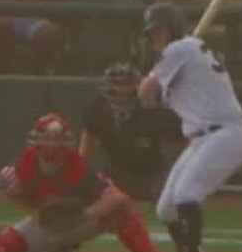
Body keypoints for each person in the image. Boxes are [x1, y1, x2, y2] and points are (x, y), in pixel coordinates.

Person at [138, 3, 242, 252]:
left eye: (158, 32)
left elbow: (145, 92)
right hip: (204, 137)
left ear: (171, 29)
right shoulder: (186, 53)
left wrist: (153, 78)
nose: (154, 38)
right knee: (166, 209)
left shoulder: (181, 49)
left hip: (225, 135)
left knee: (187, 194)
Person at [0, 113, 167, 252]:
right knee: (2, 251)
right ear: (36, 142)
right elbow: (19, 197)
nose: (52, 148)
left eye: (57, 141)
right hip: (46, 222)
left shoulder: (76, 167)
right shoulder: (24, 164)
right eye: (47, 140)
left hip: (80, 222)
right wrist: (32, 209)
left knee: (121, 209)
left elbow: (119, 198)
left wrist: (82, 215)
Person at [78, 62, 182, 203]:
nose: (122, 90)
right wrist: (79, 174)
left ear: (137, 85)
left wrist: (180, 171)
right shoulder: (98, 109)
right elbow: (85, 145)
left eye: (126, 84)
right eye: (117, 84)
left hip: (150, 174)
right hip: (117, 173)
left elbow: (182, 138)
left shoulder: (152, 109)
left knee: (168, 198)